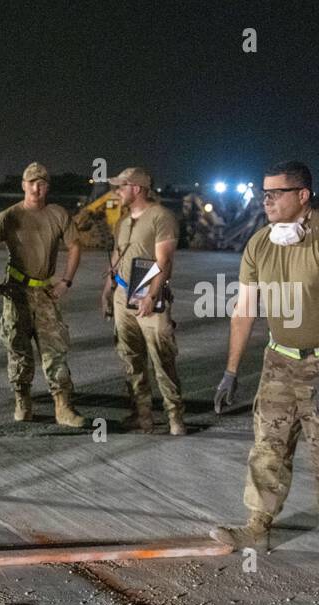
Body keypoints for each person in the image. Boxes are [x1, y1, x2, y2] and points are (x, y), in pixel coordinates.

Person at [211, 161, 319, 568]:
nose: (266, 200)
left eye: (276, 193)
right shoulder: (259, 243)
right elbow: (244, 311)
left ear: (303, 196)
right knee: (267, 447)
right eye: (264, 193)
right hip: (278, 362)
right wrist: (231, 370)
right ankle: (258, 526)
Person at [0, 161, 86, 425]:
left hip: (46, 292)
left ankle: (63, 407)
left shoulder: (58, 214)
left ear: (47, 187)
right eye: (32, 182)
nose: (37, 187)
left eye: (42, 183)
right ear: (23, 185)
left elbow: (76, 247)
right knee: (18, 349)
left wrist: (65, 282)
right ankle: (23, 402)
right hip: (17, 291)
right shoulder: (10, 216)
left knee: (55, 349)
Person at [101, 167, 186, 435]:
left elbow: (164, 262)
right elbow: (117, 256)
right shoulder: (123, 222)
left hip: (149, 296)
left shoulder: (162, 217)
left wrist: (151, 296)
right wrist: (107, 289)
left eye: (121, 186)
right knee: (131, 358)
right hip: (123, 294)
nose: (117, 191)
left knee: (162, 358)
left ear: (136, 188)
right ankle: (142, 415)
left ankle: (175, 417)